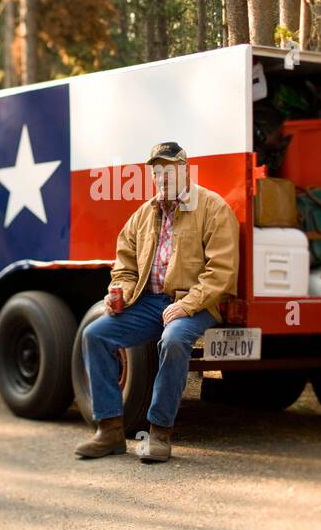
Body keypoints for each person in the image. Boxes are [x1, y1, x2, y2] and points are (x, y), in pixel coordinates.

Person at [76, 141, 239, 463]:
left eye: (169, 169)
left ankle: (159, 433)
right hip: (149, 302)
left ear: (184, 170)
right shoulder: (144, 213)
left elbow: (221, 270)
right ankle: (109, 431)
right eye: (156, 170)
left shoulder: (212, 207)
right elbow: (124, 264)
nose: (162, 176)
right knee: (95, 335)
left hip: (194, 304)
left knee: (175, 339)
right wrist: (118, 291)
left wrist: (188, 305)